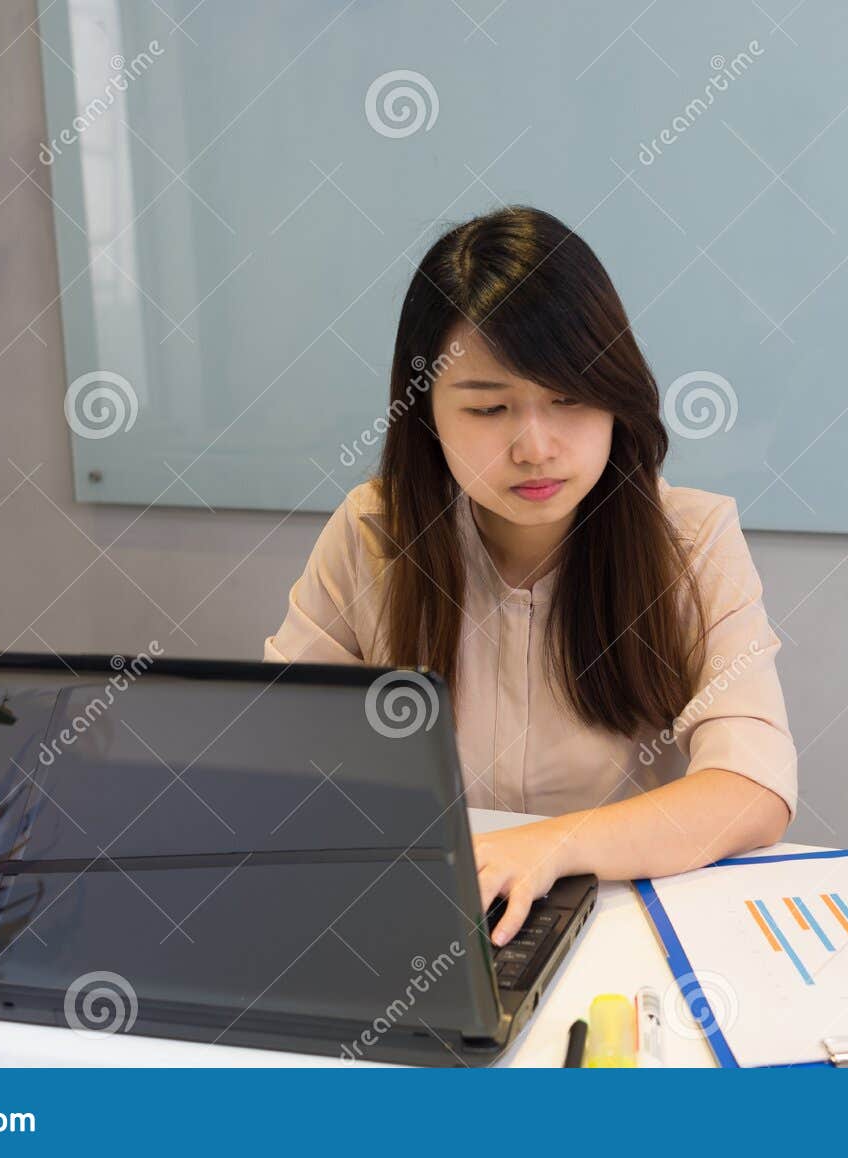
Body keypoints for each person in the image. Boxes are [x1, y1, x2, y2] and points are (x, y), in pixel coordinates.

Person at [265, 205, 798, 946]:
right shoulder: (372, 534)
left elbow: (753, 790)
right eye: (489, 407)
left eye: (569, 399)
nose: (535, 446)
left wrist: (554, 845)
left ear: (617, 396)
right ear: (427, 416)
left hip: (619, 924)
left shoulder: (693, 541)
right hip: (430, 922)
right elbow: (283, 756)